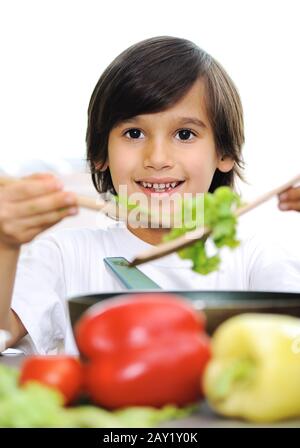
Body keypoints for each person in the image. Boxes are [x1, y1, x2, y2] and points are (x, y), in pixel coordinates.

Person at [0, 36, 299, 355]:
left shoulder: (257, 259)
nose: (157, 158)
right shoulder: (64, 256)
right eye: (134, 133)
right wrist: (5, 243)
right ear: (101, 153)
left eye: (185, 134)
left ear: (223, 152)